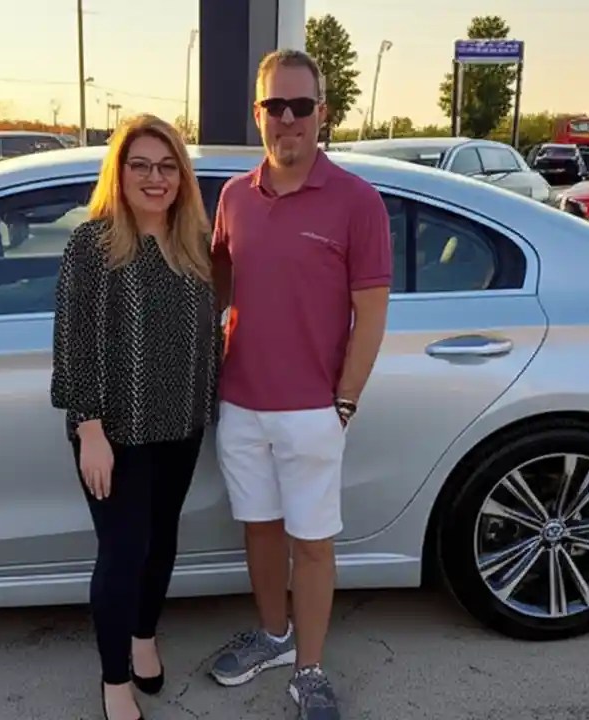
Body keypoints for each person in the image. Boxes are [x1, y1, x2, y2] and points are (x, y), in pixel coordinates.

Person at [207, 50, 392, 719]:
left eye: (301, 106)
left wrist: (344, 401)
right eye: (274, 107)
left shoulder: (356, 201)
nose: (288, 120)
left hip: (314, 408)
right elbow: (219, 281)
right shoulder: (233, 197)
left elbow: (371, 310)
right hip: (241, 403)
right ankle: (274, 636)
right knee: (259, 530)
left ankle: (309, 669)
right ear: (257, 114)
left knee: (312, 543)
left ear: (323, 114)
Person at [51, 113, 221, 720]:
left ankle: (144, 635)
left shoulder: (194, 245)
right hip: (114, 431)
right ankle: (113, 678)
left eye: (167, 165)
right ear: (118, 172)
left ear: (182, 175)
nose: (156, 178)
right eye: (141, 165)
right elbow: (71, 343)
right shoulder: (91, 247)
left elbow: (212, 333)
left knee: (161, 541)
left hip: (181, 421)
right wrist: (89, 430)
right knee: (123, 551)